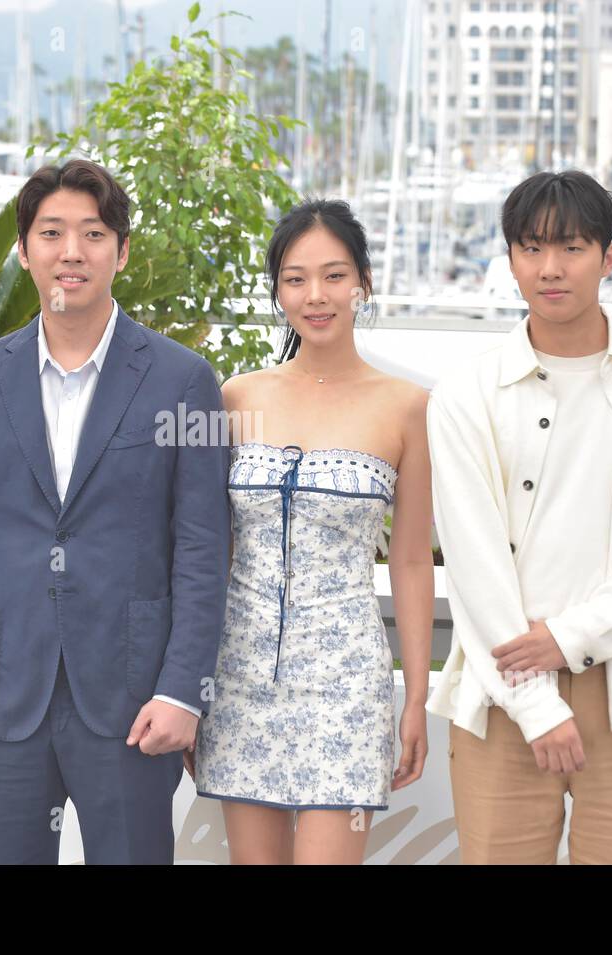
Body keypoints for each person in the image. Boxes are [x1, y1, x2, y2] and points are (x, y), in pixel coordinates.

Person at [0, 158, 231, 864]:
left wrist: (183, 689)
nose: (72, 251)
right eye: (51, 233)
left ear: (121, 250)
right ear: (25, 251)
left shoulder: (183, 379)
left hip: (133, 695)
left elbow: (203, 547)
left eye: (92, 232)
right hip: (3, 692)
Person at [425, 169, 612, 864]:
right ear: (509, 259)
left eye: (573, 248)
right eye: (530, 248)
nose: (549, 268)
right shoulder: (466, 392)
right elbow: (471, 561)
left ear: (609, 258)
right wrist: (536, 700)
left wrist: (567, 636)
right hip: (503, 691)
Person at [190, 199, 433, 864]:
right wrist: (187, 682)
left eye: (334, 275)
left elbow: (412, 562)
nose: (315, 295)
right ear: (276, 290)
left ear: (363, 282)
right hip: (236, 674)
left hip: (347, 682)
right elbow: (208, 549)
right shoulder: (235, 398)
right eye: (295, 278)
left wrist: (416, 696)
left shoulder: (407, 406)